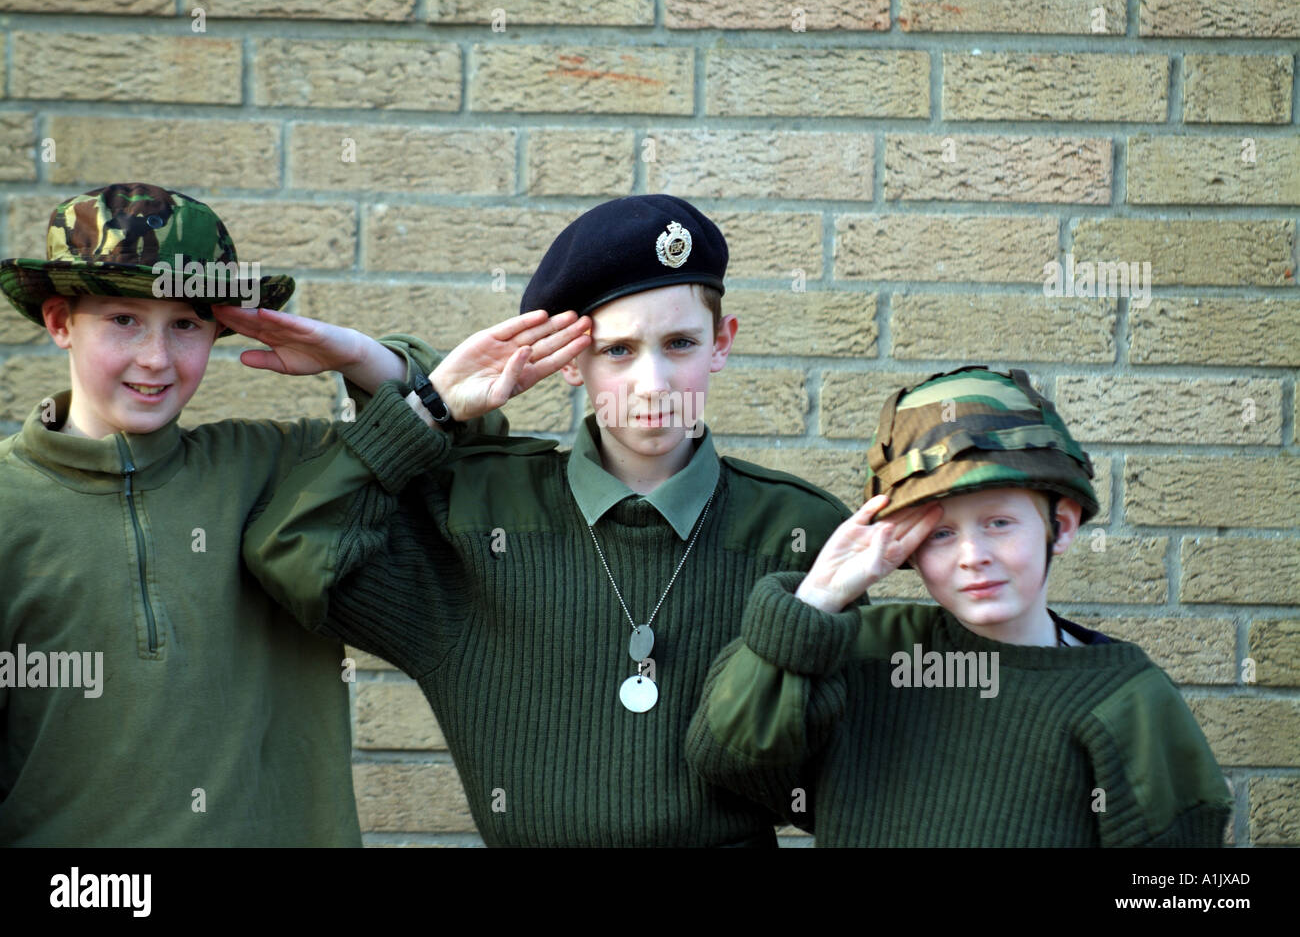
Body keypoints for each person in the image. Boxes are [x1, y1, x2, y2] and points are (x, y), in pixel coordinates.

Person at [242, 194, 852, 846]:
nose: (653, 383)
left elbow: (840, 785)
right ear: (569, 360)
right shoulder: (482, 518)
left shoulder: (800, 531)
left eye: (680, 343)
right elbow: (294, 552)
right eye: (618, 350)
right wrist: (427, 407)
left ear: (721, 343)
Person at [0, 182, 495, 845]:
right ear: (60, 321)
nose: (156, 358)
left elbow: (466, 436)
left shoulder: (276, 469)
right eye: (123, 320)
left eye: (186, 324)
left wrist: (350, 356)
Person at [686, 365, 1233, 846]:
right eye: (941, 533)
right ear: (906, 548)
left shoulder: (1126, 700)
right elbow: (726, 758)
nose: (973, 556)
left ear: (1059, 525)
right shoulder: (870, 653)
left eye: (998, 523)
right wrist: (815, 604)